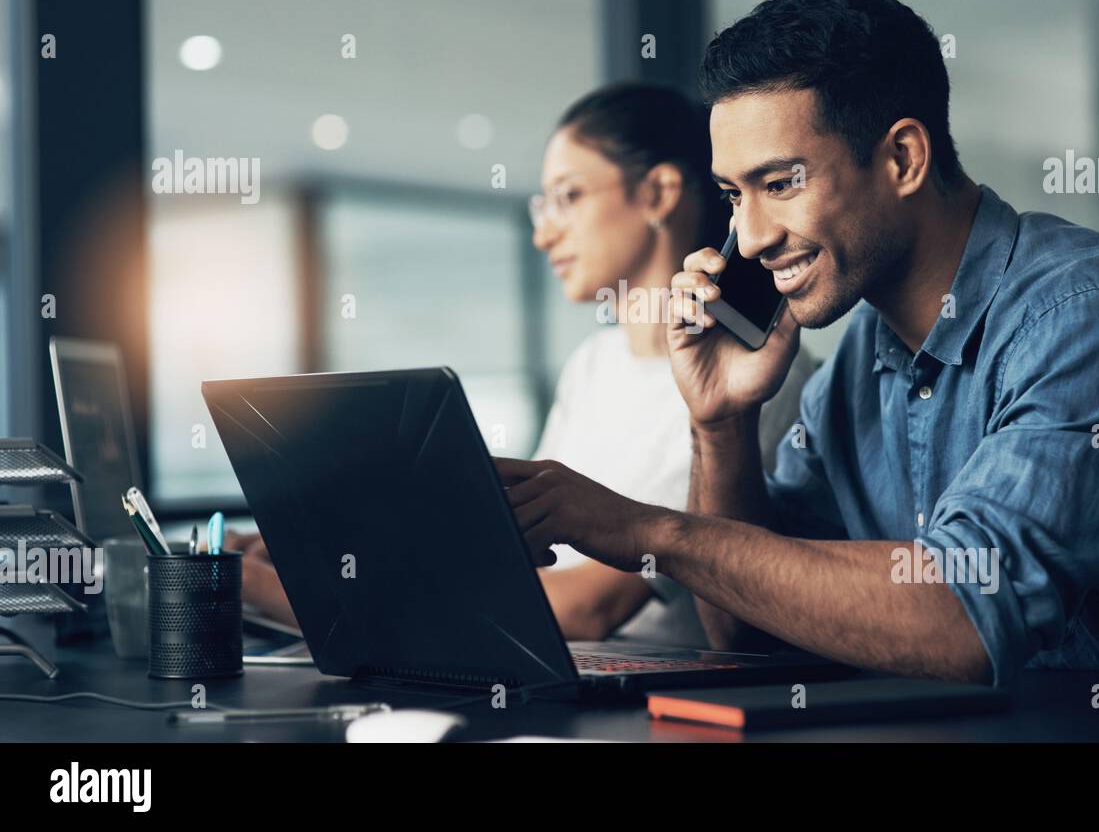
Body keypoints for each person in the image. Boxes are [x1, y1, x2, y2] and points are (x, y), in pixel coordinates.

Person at [495, 0, 1099, 687]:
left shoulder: (1094, 317)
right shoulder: (858, 360)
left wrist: (643, 528)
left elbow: (963, 620)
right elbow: (751, 629)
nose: (752, 236)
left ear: (904, 158)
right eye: (735, 196)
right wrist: (720, 421)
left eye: (782, 183)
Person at [231, 83, 814, 648]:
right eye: (542, 205)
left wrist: (292, 591)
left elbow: (586, 606)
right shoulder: (593, 365)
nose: (543, 234)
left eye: (569, 197)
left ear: (659, 193)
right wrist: (329, 555)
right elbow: (510, 557)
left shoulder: (751, 374)